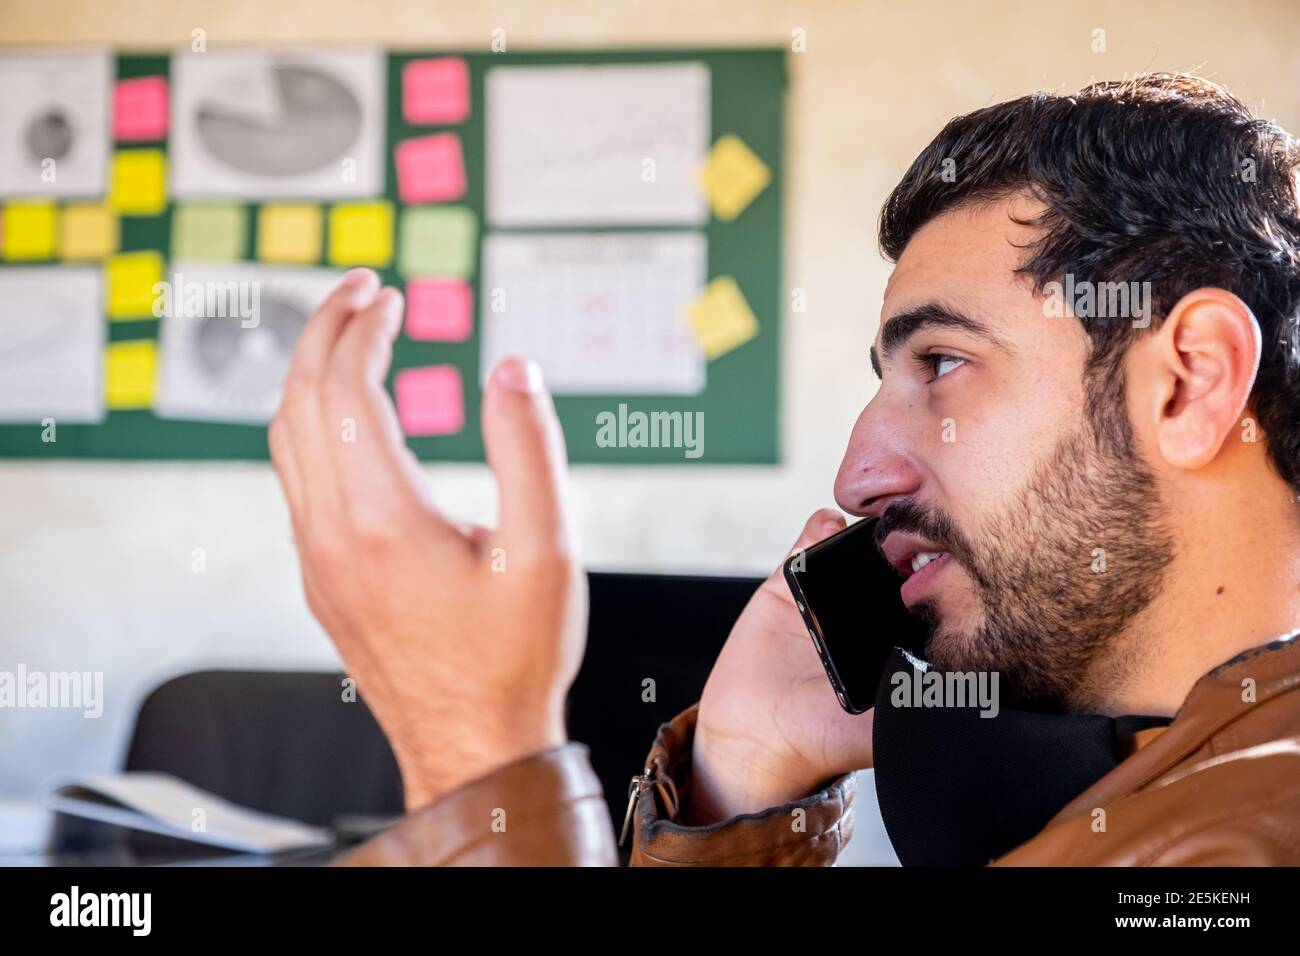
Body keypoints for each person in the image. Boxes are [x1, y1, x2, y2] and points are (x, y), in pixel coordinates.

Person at [268, 73, 1300, 866]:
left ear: (1188, 383)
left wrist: (471, 750)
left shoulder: (1246, 835)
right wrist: (738, 778)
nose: (857, 474)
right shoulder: (1157, 781)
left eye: (942, 362)